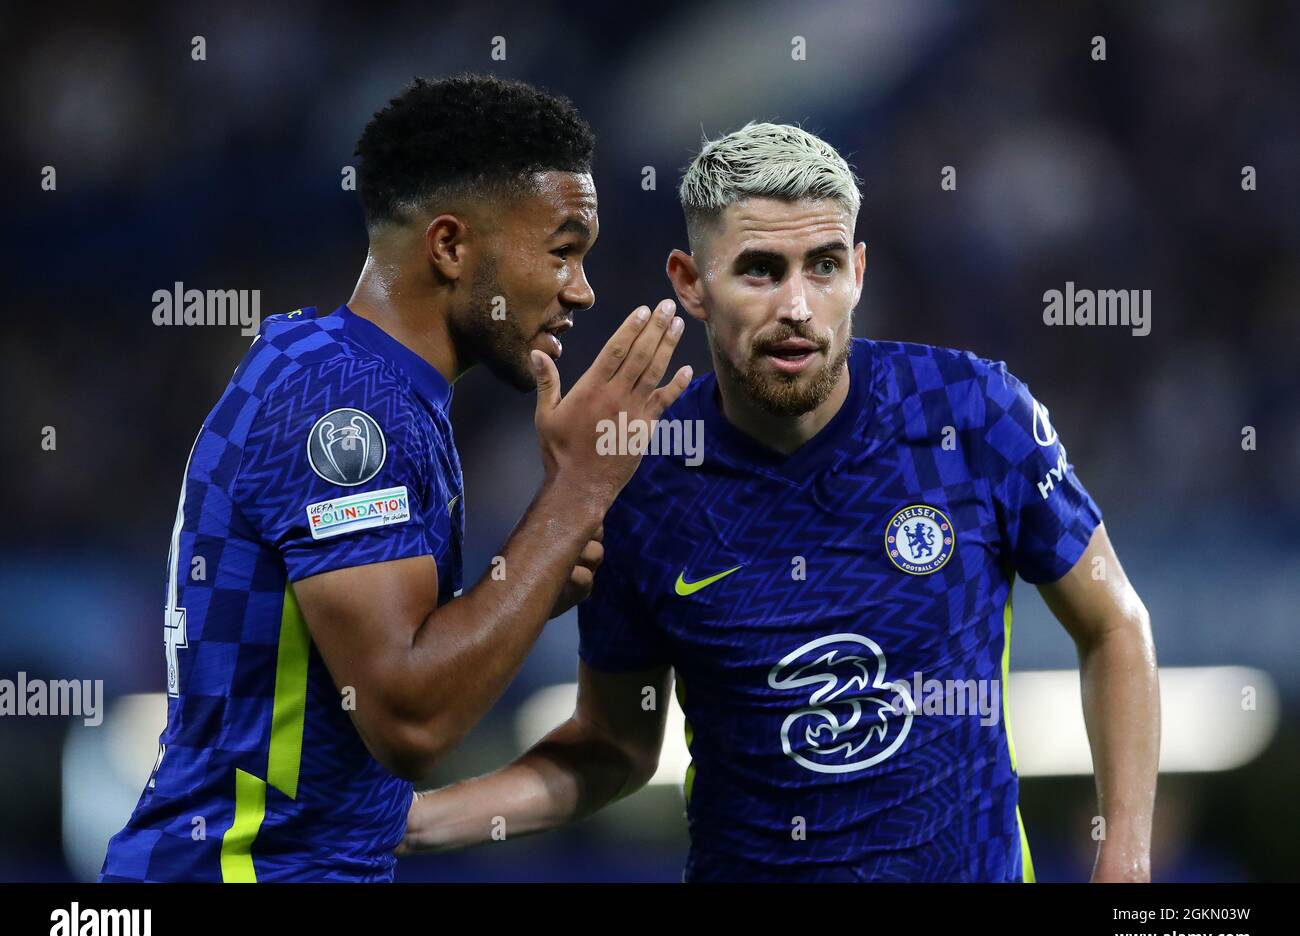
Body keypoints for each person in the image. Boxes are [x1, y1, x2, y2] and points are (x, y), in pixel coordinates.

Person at [399, 122, 1160, 883]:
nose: (798, 306)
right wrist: (406, 825)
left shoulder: (974, 413)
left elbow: (1114, 625)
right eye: (760, 271)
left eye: (823, 267)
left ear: (858, 272)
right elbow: (613, 748)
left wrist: (1123, 869)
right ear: (690, 282)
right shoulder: (639, 475)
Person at [100, 74, 691, 882]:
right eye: (562, 251)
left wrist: (528, 587)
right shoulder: (346, 406)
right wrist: (578, 489)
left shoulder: (358, 379)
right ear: (450, 247)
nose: (581, 290)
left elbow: (368, 663)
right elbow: (409, 717)